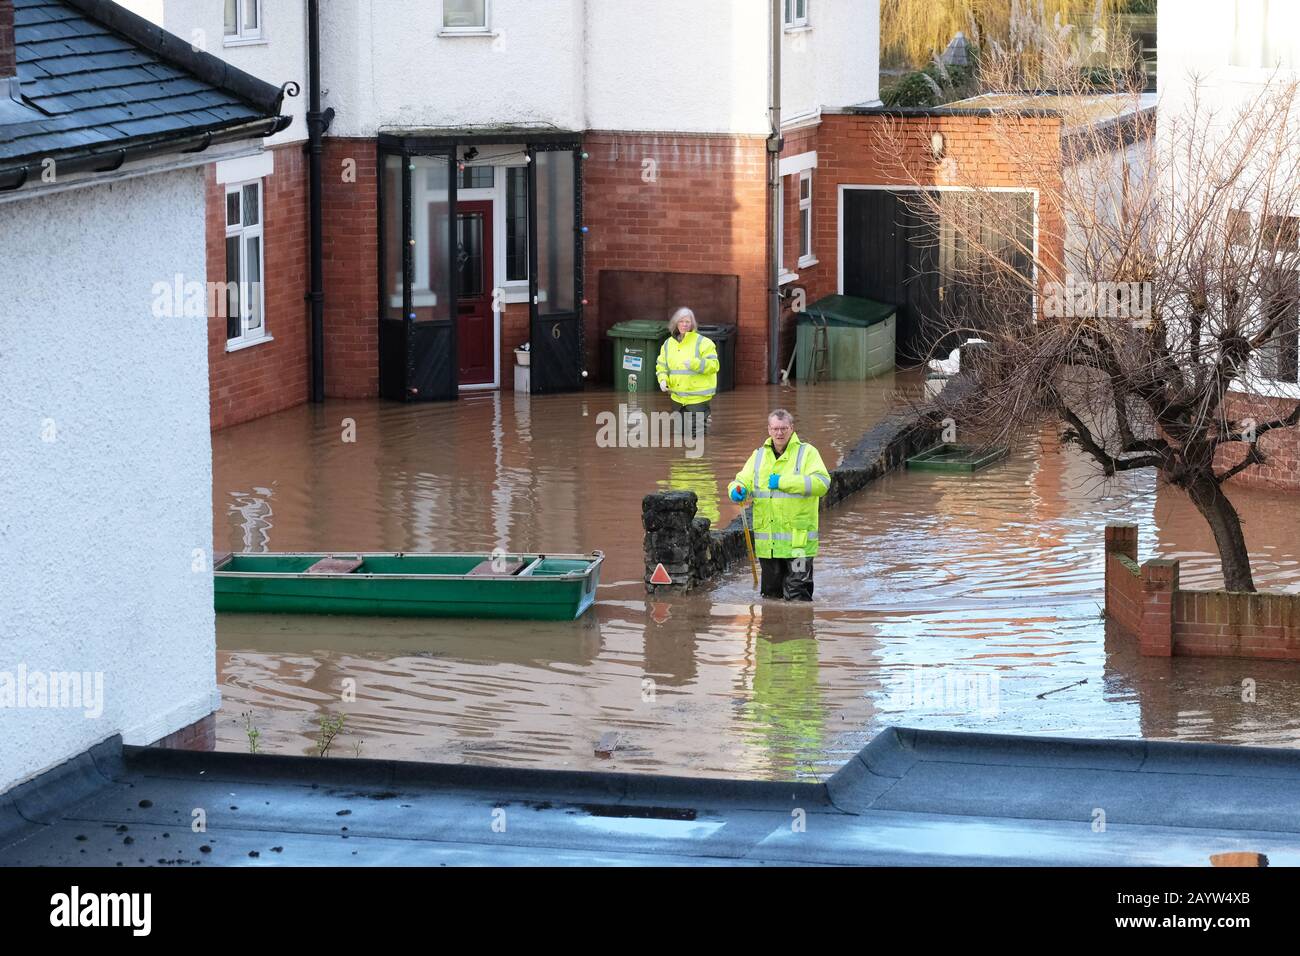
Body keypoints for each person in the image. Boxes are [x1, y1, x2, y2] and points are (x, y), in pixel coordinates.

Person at [727, 409, 831, 601]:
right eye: (775, 428)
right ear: (769, 430)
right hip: (770, 544)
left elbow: (822, 483)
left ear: (792, 428)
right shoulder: (758, 456)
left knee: (798, 598)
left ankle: (799, 630)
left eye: (784, 428)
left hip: (798, 545)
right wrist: (736, 489)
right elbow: (742, 480)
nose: (779, 433)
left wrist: (783, 482)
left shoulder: (807, 453)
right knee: (770, 599)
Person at [655, 307, 719, 435]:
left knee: (697, 435)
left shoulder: (704, 343)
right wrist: (662, 380)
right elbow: (661, 366)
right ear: (675, 323)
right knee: (680, 433)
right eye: (681, 321)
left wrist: (695, 364)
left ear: (692, 324)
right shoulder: (668, 344)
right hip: (677, 398)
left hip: (697, 398)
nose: (684, 325)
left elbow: (714, 365)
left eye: (687, 322)